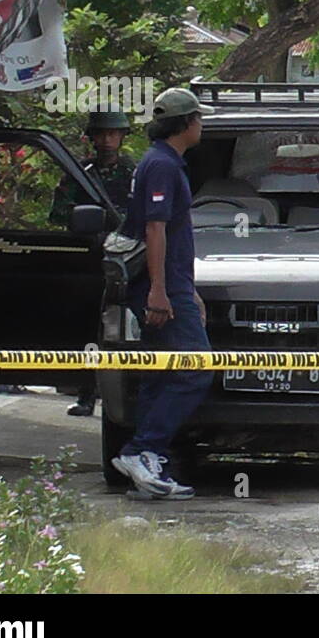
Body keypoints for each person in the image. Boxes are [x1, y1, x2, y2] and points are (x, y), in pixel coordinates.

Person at [110, 87, 216, 500]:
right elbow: (154, 228)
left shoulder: (163, 162)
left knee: (161, 371)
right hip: (161, 287)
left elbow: (169, 231)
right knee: (196, 368)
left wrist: (186, 290)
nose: (201, 125)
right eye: (199, 119)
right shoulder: (161, 166)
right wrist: (160, 290)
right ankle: (144, 449)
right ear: (186, 123)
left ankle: (147, 465)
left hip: (173, 285)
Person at [50, 108, 137, 417]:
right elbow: (59, 213)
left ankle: (129, 395)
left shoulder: (133, 173)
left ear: (122, 137)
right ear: (92, 137)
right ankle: (86, 392)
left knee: (126, 329)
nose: (107, 140)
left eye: (113, 134)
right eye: (101, 134)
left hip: (128, 260)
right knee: (88, 329)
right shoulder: (80, 174)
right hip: (89, 259)